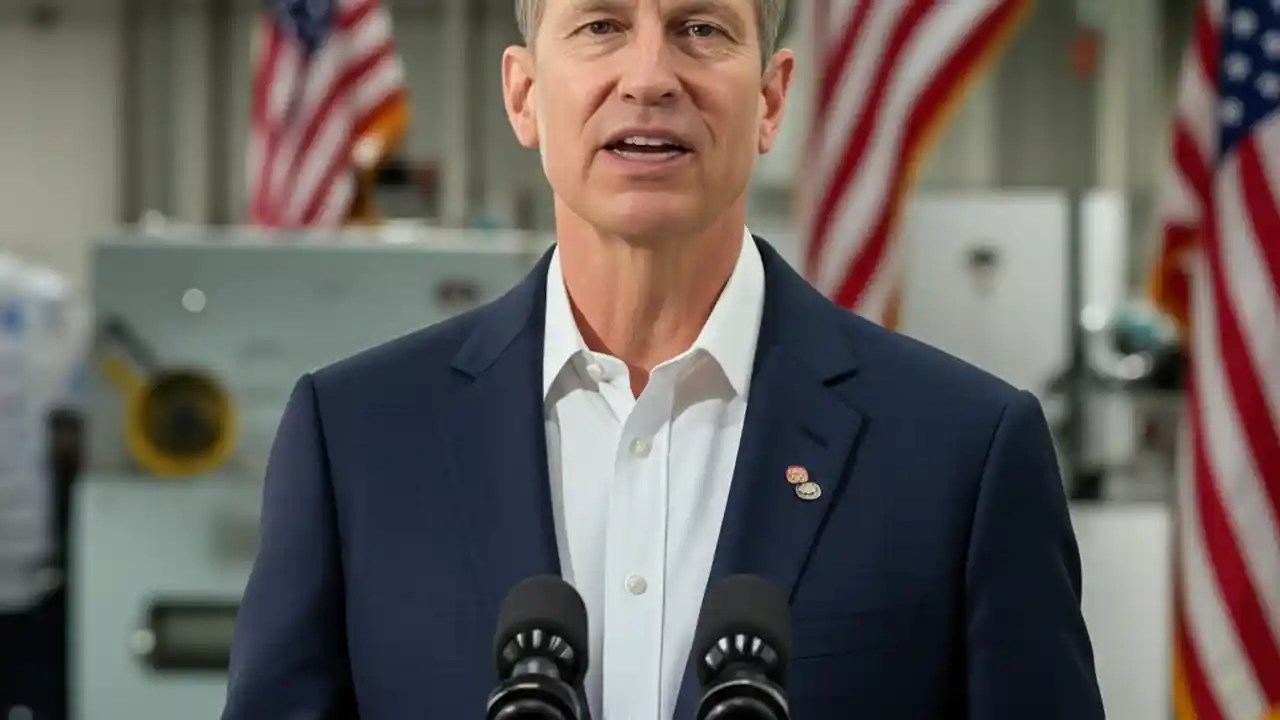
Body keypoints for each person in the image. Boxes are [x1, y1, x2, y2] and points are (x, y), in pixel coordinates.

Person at [223, 0, 1105, 717]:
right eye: (601, 25)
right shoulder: (356, 441)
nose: (649, 78)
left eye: (701, 29)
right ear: (524, 95)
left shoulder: (965, 453)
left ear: (770, 98)